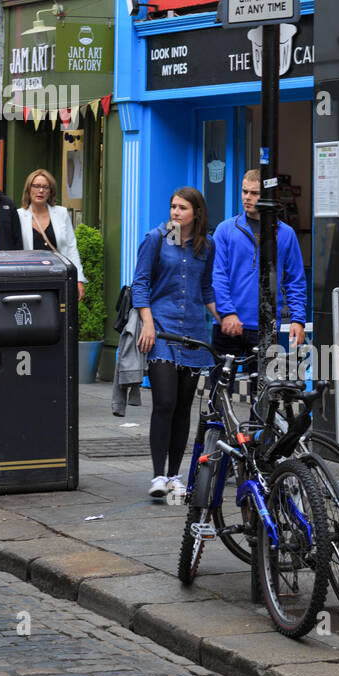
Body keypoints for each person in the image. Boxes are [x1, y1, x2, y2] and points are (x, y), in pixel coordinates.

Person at [131, 187, 219, 501]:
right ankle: (157, 476)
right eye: (172, 206)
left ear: (196, 212)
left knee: (183, 409)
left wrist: (224, 317)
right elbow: (140, 282)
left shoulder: (205, 246)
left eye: (182, 208)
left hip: (194, 333)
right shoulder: (157, 238)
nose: (175, 212)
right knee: (165, 402)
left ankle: (174, 476)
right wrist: (149, 323)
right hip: (162, 331)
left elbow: (206, 289)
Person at [211, 167, 307, 366]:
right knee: (219, 390)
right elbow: (217, 276)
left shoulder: (286, 234)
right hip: (228, 323)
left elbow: (295, 281)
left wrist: (298, 319)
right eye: (244, 191)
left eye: (254, 193)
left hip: (265, 325)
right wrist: (227, 313)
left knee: (263, 392)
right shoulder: (225, 229)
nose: (247, 197)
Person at [17, 169, 86, 301]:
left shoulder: (61, 213)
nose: (40, 190)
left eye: (45, 187)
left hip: (58, 278)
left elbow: (71, 248)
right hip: (30, 279)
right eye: (36, 186)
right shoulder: (19, 215)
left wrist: (78, 279)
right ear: (29, 189)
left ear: (50, 191)